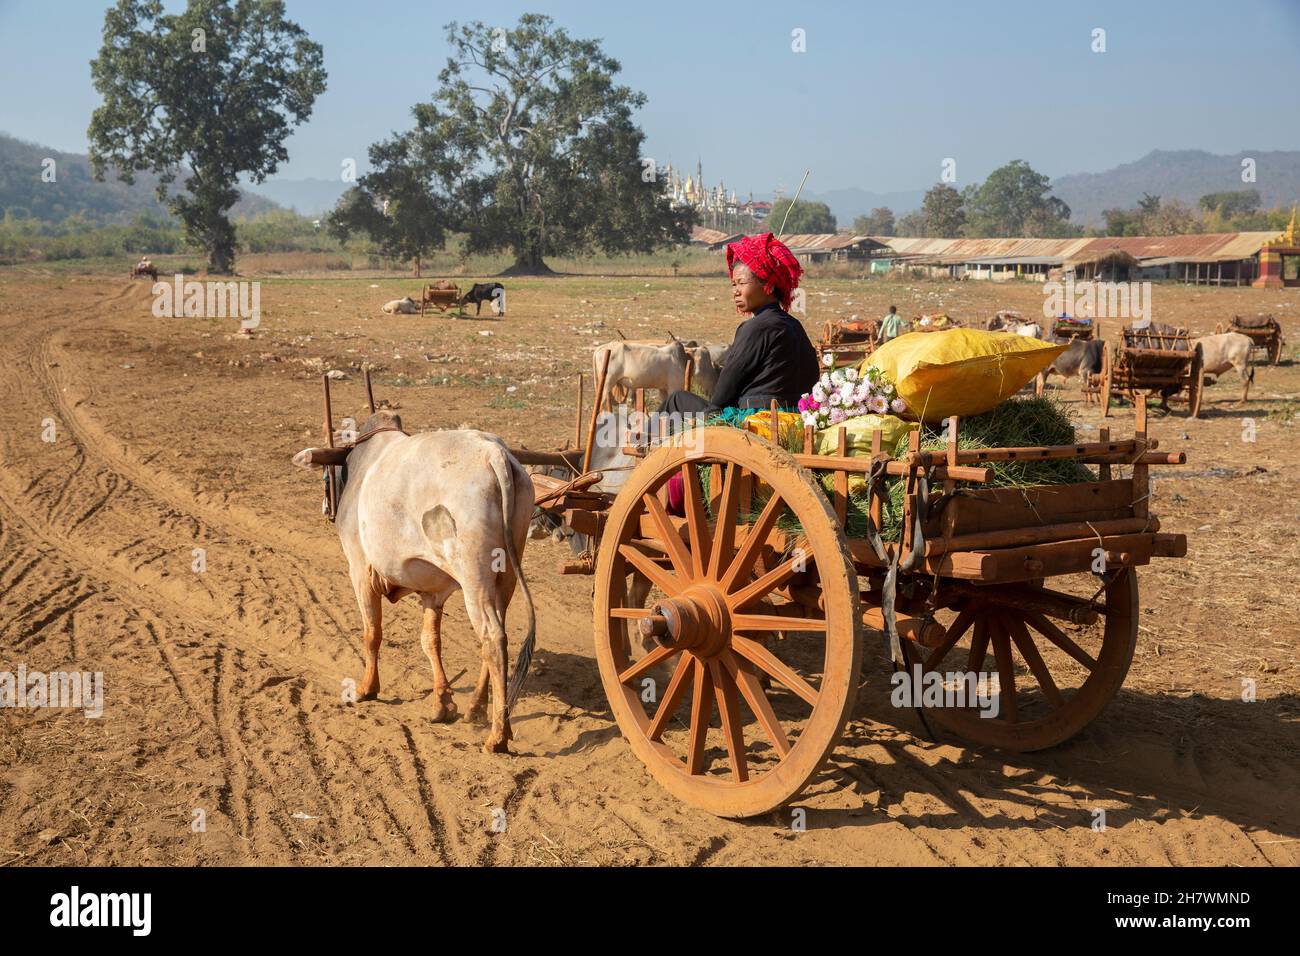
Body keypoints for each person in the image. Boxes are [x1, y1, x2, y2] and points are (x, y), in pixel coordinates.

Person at [660, 232, 819, 420]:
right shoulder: (794, 325)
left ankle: (642, 441)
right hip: (796, 417)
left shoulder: (755, 328)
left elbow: (727, 386)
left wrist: (713, 409)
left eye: (742, 283)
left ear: (767, 286)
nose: (736, 291)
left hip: (758, 418)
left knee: (677, 400)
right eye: (733, 284)